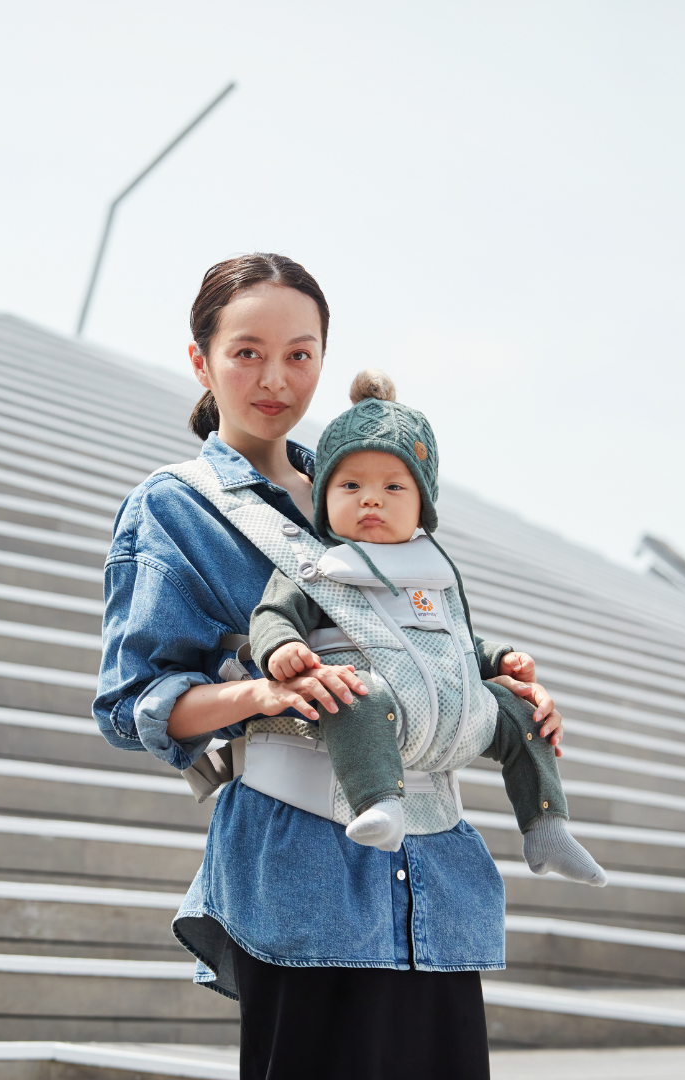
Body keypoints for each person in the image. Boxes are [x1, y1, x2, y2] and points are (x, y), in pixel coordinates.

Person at [93, 253, 571, 1080]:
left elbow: (437, 635)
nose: (276, 377)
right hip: (302, 866)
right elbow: (132, 701)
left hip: (430, 866)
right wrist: (262, 688)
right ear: (201, 360)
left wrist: (503, 687)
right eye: (247, 352)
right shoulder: (175, 507)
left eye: (300, 353)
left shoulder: (370, 480)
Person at [248, 369, 606, 887]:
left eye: (393, 486)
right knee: (352, 694)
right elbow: (271, 615)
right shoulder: (316, 567)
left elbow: (459, 643)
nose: (371, 499)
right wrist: (281, 646)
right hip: (380, 711)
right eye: (350, 485)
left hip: (459, 717)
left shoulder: (434, 574)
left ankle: (547, 825)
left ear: (423, 505)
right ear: (324, 497)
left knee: (525, 712)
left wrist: (499, 660)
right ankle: (380, 804)